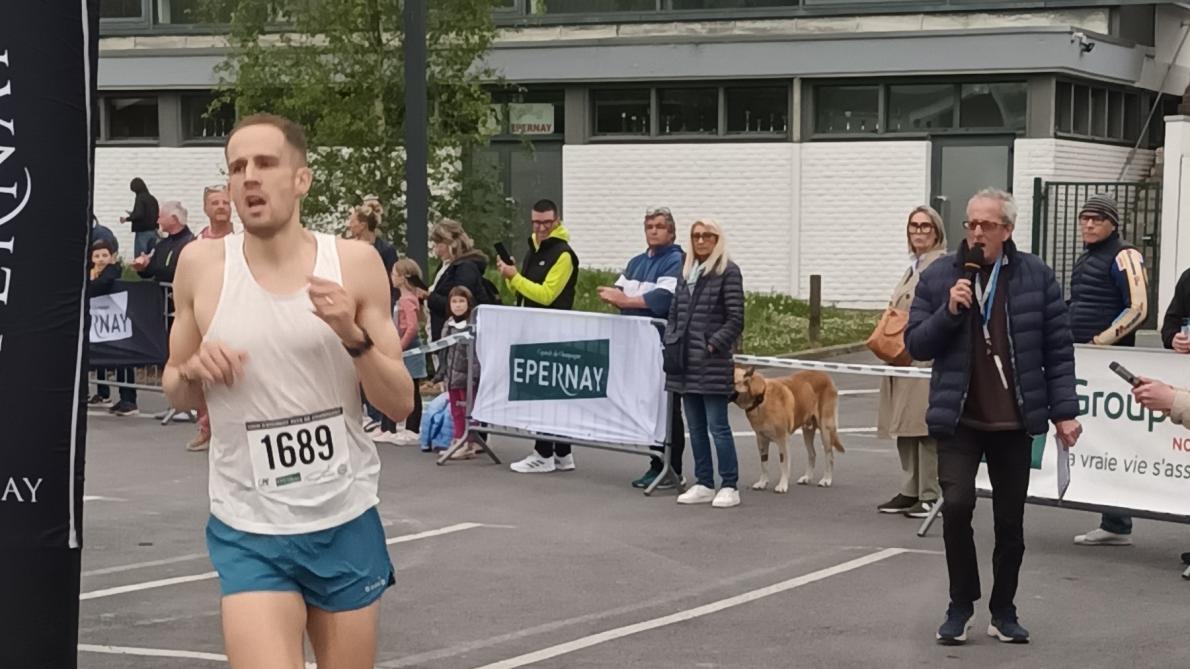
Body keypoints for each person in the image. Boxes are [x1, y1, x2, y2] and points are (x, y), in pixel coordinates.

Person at [162, 113, 414, 669]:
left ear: (302, 179)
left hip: (343, 517)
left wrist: (352, 337)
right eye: (237, 167)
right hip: (248, 525)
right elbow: (175, 389)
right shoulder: (200, 265)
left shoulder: (353, 263)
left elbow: (399, 403)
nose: (249, 177)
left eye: (266, 163)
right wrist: (194, 371)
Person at [906, 188, 1082, 646]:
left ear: (1007, 230)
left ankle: (1003, 610)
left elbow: (1058, 351)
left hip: (1014, 420)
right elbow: (917, 344)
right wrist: (949, 310)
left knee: (1010, 521)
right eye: (970, 224)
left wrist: (1065, 412)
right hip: (959, 417)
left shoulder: (1036, 276)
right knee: (958, 506)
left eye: (987, 225)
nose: (977, 233)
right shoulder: (942, 275)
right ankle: (960, 604)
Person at [1066, 194, 1149, 547]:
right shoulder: (1088, 257)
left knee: (1112, 437)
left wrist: (1100, 342)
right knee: (1094, 435)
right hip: (1083, 358)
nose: (1088, 224)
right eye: (1084, 218)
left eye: (1096, 219)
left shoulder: (1125, 255)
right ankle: (1113, 521)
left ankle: (1117, 521)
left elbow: (1139, 308)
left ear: (1112, 224)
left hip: (1108, 364)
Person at [597, 206, 686, 490]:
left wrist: (626, 301)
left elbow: (662, 299)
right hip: (636, 346)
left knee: (667, 408)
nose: (654, 231)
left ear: (671, 231)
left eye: (659, 226)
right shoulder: (636, 261)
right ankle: (655, 462)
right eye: (649, 226)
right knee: (648, 405)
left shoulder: (676, 260)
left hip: (661, 346)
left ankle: (671, 468)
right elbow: (615, 291)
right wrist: (624, 299)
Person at [665, 219, 745, 509]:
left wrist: (712, 345)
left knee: (717, 426)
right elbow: (674, 311)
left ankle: (729, 484)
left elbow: (735, 318)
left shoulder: (728, 271)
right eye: (696, 236)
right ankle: (704, 482)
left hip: (711, 362)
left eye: (707, 236)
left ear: (717, 239)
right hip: (684, 361)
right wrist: (671, 338)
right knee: (695, 427)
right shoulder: (685, 271)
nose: (701, 241)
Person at [497, 199, 581, 474]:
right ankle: (562, 454)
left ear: (557, 220)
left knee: (546, 392)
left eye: (547, 222)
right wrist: (512, 277)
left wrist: (516, 277)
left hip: (553, 331)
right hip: (534, 328)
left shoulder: (564, 254)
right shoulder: (534, 247)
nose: (541, 227)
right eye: (536, 222)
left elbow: (547, 295)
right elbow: (526, 291)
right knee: (549, 391)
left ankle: (543, 452)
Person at [877, 206, 947, 519]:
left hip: (924, 353)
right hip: (901, 355)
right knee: (904, 423)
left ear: (937, 232)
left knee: (924, 426)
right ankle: (910, 488)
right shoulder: (912, 266)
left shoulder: (941, 265)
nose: (918, 232)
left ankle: (930, 493)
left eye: (925, 227)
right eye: (913, 227)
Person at [188, 185, 237, 452]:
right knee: (205, 372)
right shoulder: (198, 244)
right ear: (206, 209)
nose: (221, 207)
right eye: (215, 203)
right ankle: (206, 428)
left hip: (235, 314)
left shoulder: (243, 240)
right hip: (204, 317)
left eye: (225, 203)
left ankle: (232, 430)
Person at [87, 240, 139, 416]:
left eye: (104, 255)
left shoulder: (113, 270)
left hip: (117, 320)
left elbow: (103, 285)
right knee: (103, 355)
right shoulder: (90, 272)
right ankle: (105, 394)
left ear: (111, 257)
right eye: (97, 256)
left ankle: (129, 399)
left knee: (123, 359)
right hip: (100, 322)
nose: (101, 259)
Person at [380, 258, 428, 446]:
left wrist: (399, 346)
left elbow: (412, 327)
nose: (391, 277)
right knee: (401, 387)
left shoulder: (407, 300)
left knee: (411, 388)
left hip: (410, 350)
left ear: (402, 277)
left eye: (394, 273)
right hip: (405, 348)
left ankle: (411, 428)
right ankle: (390, 427)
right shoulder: (404, 299)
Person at [426, 219, 490, 347]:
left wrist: (429, 297)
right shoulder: (446, 266)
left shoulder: (465, 268)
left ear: (451, 244)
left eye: (439, 243)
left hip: (456, 340)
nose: (435, 247)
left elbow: (461, 305)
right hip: (442, 335)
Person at [442, 286, 482, 460]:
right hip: (452, 377)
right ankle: (458, 438)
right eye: (454, 301)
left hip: (467, 378)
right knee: (456, 411)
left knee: (469, 411)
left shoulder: (472, 326)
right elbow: (443, 350)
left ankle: (469, 442)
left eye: (461, 301)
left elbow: (475, 356)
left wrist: (474, 375)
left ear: (469, 303)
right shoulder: (448, 324)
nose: (458, 305)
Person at [131, 201, 197, 285]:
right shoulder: (161, 244)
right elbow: (151, 273)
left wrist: (151, 266)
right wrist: (143, 267)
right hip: (160, 296)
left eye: (160, 217)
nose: (158, 221)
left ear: (173, 219)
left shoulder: (191, 244)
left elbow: (176, 273)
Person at [121, 177, 160, 258]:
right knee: (152, 257)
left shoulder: (140, 198)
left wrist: (127, 218)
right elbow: (152, 214)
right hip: (153, 231)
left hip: (142, 232)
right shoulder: (153, 199)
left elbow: (139, 215)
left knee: (140, 258)